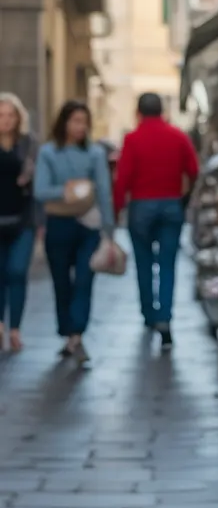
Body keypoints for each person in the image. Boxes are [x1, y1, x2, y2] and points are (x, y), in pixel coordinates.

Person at [114, 92, 198, 348]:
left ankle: (149, 315)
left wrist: (117, 207)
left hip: (141, 207)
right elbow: (194, 170)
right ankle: (165, 321)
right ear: (163, 111)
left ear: (138, 113)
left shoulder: (132, 139)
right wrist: (183, 198)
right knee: (168, 265)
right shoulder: (178, 136)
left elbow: (123, 177)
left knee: (143, 264)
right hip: (171, 205)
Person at [34, 100, 114, 365]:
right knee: (60, 280)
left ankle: (77, 332)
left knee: (84, 278)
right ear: (64, 123)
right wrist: (70, 190)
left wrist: (109, 230)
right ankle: (66, 329)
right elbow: (40, 190)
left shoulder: (95, 153)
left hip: (88, 225)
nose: (80, 127)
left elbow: (103, 191)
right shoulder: (48, 153)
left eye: (84, 121)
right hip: (59, 223)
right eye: (75, 121)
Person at [0, 93, 37, 352]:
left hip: (22, 220)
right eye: (1, 116)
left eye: (10, 115)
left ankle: (15, 329)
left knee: (17, 272)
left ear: (18, 118)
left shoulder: (28, 144)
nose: (5, 121)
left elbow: (39, 181)